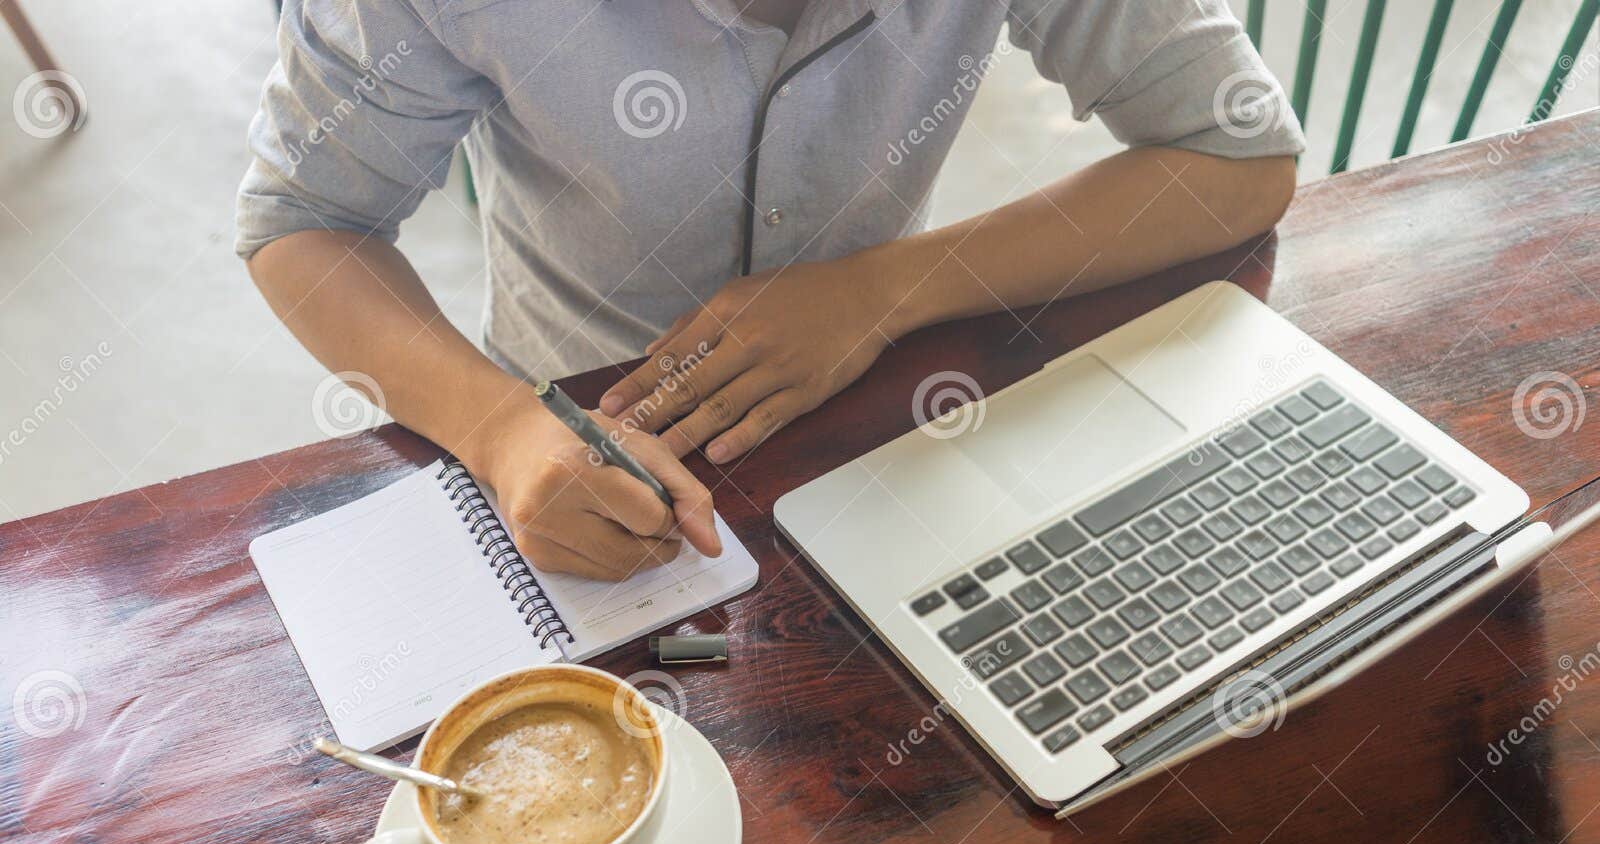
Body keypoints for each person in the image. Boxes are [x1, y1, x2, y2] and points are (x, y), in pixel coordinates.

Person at [237, 0, 1303, 580]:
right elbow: (303, 219)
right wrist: (500, 430)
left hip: (871, 409)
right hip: (579, 419)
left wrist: (885, 290)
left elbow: (1237, 153)